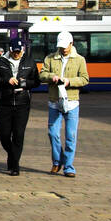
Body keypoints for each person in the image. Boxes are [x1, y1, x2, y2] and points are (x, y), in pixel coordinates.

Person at [40, 32, 91, 178]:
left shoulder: (80, 60)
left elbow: (85, 79)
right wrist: (52, 77)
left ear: (71, 43)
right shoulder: (50, 58)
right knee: (53, 133)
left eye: (65, 46)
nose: (63, 49)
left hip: (72, 102)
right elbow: (42, 74)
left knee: (71, 136)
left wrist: (70, 82)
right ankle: (57, 161)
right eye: (61, 47)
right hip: (54, 101)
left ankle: (68, 167)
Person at [0, 39, 39, 176]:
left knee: (18, 134)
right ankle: (13, 156)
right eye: (14, 52)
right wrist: (7, 81)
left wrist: (25, 83)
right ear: (10, 50)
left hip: (22, 103)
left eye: (19, 52)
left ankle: (15, 166)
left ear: (22, 50)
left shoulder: (29, 61)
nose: (17, 54)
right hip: (6, 103)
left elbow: (36, 81)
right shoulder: (1, 62)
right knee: (4, 135)